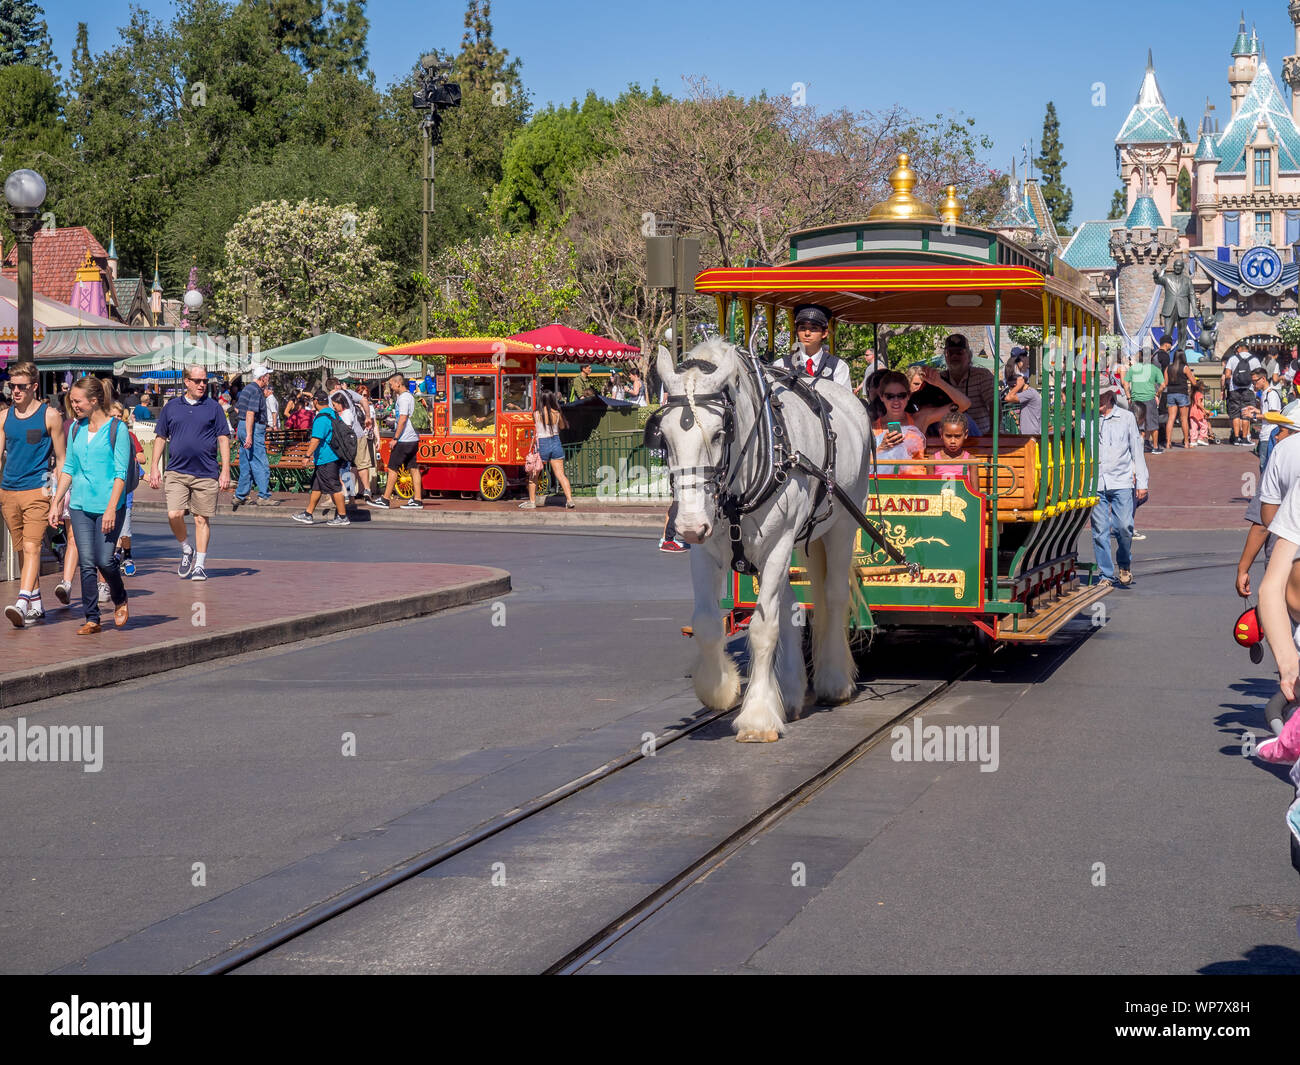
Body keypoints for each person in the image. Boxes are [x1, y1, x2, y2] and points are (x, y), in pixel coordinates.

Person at [46, 377, 131, 634]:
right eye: (72, 401)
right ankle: (92, 617)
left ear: (94, 401)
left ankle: (120, 597)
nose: (73, 405)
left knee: (105, 560)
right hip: (81, 505)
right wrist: (56, 501)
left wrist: (110, 508)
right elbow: (69, 469)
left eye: (77, 401)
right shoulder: (75, 429)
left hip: (109, 505)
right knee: (86, 561)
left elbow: (121, 474)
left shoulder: (118, 429)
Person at [148, 364, 233, 583]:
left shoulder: (213, 407)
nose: (202, 385)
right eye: (197, 381)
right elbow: (160, 436)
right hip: (177, 470)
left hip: (206, 472)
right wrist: (154, 467)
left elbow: (223, 438)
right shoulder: (172, 407)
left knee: (200, 519)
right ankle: (187, 549)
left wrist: (225, 469)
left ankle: (200, 565)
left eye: (205, 381)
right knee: (174, 514)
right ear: (186, 382)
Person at [0, 361, 66, 627]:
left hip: (38, 490)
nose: (15, 391)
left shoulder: (50, 416)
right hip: (8, 492)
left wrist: (58, 499)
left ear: (34, 387)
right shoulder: (4, 417)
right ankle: (37, 604)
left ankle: (22, 600)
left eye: (21, 387)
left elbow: (62, 460)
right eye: (11, 386)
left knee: (31, 546)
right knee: (21, 550)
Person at [1236, 402, 1300, 599]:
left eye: (1281, 430)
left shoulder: (1281, 454)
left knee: (1282, 617)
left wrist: (1243, 567)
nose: (1276, 436)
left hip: (1284, 557)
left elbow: (1264, 521)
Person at [1090, 381, 1149, 588]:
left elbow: (1136, 450)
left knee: (1124, 526)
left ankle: (1124, 563)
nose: (1093, 400)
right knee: (1099, 529)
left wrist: (1142, 481)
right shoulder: (1086, 419)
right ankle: (1105, 574)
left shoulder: (1126, 418)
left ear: (1108, 396)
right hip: (1095, 481)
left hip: (1122, 480)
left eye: (1097, 396)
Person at [292, 391, 351, 527]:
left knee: (335, 487)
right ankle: (308, 514)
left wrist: (307, 456)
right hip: (332, 456)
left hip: (327, 457)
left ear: (316, 401)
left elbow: (315, 440)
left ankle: (342, 516)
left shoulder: (321, 418)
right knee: (316, 486)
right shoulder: (332, 413)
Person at [369, 372, 423, 509]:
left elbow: (403, 418)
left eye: (392, 384)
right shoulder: (409, 396)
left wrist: (395, 438)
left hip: (404, 439)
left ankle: (385, 499)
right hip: (413, 438)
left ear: (398, 383)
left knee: (393, 468)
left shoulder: (404, 398)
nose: (391, 387)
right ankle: (417, 499)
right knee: (413, 468)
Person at [232, 363, 279, 509]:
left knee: (246, 462)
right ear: (263, 378)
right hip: (252, 427)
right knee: (260, 462)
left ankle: (240, 495)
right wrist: (249, 435)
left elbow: (238, 408)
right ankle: (263, 495)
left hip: (241, 426)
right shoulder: (256, 391)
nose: (269, 378)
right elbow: (250, 413)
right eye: (268, 376)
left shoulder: (247, 389)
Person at [774, 304, 852, 390]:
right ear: (797, 331)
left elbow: (844, 401)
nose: (807, 333)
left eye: (813, 328)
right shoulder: (781, 365)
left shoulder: (838, 367)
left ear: (824, 333)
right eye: (802, 328)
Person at [521, 389, 574, 509]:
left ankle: (532, 502)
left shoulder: (536, 413)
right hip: (555, 442)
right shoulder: (556, 413)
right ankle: (570, 500)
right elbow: (561, 426)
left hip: (542, 444)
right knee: (561, 475)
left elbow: (536, 427)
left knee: (534, 475)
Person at [107, 401, 144, 577]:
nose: (116, 419)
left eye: (119, 416)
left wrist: (134, 457)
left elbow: (141, 458)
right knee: (110, 529)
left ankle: (127, 556)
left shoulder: (129, 436)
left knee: (125, 530)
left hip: (125, 491)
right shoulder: (102, 436)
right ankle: (115, 555)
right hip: (106, 491)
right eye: (113, 416)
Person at [870, 370, 929, 475]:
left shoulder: (918, 420)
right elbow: (862, 464)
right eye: (890, 396)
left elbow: (964, 404)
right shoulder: (872, 427)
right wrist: (881, 448)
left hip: (916, 484)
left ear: (908, 396)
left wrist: (938, 382)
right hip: (884, 485)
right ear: (881, 396)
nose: (896, 400)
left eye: (901, 395)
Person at [327, 376, 374, 502]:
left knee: (344, 467)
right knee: (362, 464)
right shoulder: (346, 392)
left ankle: (347, 493)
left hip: (344, 439)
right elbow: (364, 400)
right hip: (358, 434)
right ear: (337, 385)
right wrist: (367, 416)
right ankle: (366, 491)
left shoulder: (331, 399)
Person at [939, 333, 996, 435]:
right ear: (945, 356)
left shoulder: (982, 375)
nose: (954, 356)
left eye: (959, 352)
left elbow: (994, 404)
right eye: (950, 353)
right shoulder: (940, 379)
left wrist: (993, 431)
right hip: (950, 439)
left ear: (969, 356)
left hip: (980, 438)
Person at [1123, 349, 1163, 454]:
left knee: (1137, 424)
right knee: (1153, 424)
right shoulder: (1154, 369)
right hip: (1149, 398)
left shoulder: (1133, 369)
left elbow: (1125, 383)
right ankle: (1155, 447)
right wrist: (1157, 394)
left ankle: (1138, 446)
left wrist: (1128, 397)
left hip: (1136, 399)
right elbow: (1163, 385)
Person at [1245, 365, 1284, 470]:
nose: (1254, 384)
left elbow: (1274, 415)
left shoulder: (1272, 394)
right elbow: (1266, 412)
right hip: (1265, 434)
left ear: (1263, 379)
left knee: (1266, 466)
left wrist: (1253, 415)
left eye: (1255, 381)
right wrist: (1255, 410)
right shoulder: (1264, 393)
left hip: (1270, 434)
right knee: (1263, 464)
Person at [1223, 344, 1263, 446]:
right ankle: (1245, 438)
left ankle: (1236, 439)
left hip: (1234, 389)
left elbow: (1227, 375)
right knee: (1246, 413)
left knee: (1235, 413)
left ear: (1240, 349)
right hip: (1248, 389)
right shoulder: (1254, 359)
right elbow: (1259, 374)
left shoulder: (1232, 359)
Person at [930, 410, 975, 489]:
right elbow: (930, 491)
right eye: (948, 436)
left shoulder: (971, 461)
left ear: (966, 434)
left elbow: (976, 495)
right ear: (941, 434)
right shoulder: (932, 460)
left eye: (957, 436)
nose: (953, 441)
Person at [1162, 346, 1195, 449]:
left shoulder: (1168, 368)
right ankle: (1186, 442)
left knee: (1171, 418)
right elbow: (1193, 382)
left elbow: (1166, 383)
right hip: (1182, 393)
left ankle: (1168, 443)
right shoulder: (1185, 368)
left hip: (1171, 394)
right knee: (1184, 419)